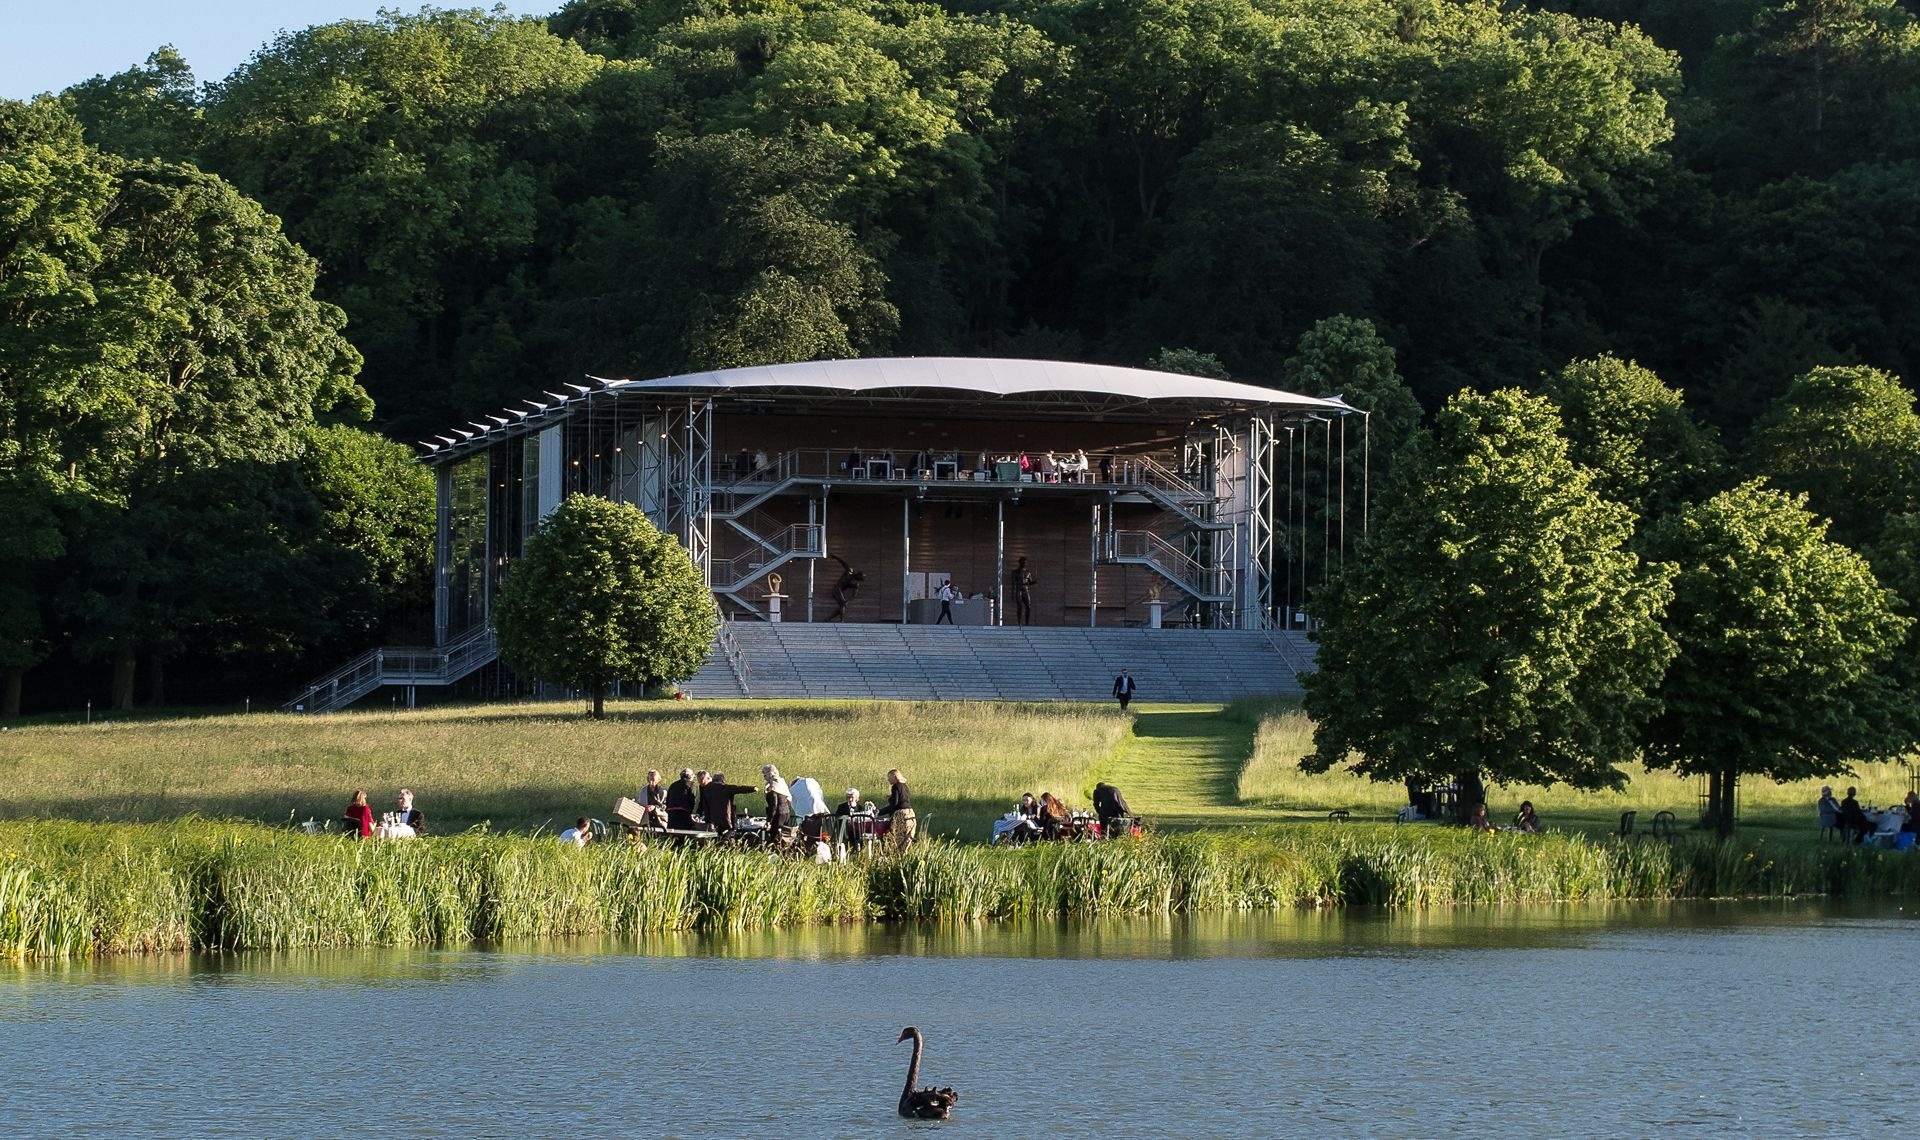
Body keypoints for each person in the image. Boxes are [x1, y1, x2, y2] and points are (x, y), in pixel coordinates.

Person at [700, 770, 758, 835]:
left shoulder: (706, 789)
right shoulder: (726, 788)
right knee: (731, 830)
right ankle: (726, 839)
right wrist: (753, 788)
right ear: (722, 779)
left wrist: (708, 821)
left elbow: (705, 806)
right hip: (725, 818)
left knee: (716, 835)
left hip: (712, 820)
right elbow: (739, 788)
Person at [882, 768, 917, 849]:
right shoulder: (905, 786)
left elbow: (895, 803)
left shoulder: (895, 786)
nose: (888, 780)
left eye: (889, 777)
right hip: (910, 814)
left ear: (894, 777)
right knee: (908, 839)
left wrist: (889, 799)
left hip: (901, 815)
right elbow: (903, 799)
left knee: (898, 840)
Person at [762, 764, 795, 844]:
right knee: (785, 836)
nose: (764, 777)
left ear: (769, 774)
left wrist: (769, 820)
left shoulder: (773, 787)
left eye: (764, 775)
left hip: (778, 814)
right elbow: (787, 799)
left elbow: (774, 806)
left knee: (773, 836)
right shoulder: (781, 783)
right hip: (786, 813)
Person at [828, 554, 866, 622]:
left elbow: (854, 595)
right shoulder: (849, 571)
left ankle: (828, 619)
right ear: (858, 574)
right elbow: (843, 562)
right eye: (860, 578)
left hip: (839, 591)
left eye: (860, 580)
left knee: (842, 606)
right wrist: (835, 557)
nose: (859, 580)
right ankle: (841, 621)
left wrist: (847, 601)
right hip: (836, 589)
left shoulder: (855, 584)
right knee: (842, 604)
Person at [1011, 556, 1035, 625]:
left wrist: (1035, 582)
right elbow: (1013, 584)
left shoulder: (1028, 572)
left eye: (1025, 562)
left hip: (1026, 591)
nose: (1024, 563)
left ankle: (1027, 624)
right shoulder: (1015, 572)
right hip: (1019, 590)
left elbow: (1030, 582)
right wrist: (1013, 594)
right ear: (1019, 562)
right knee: (1020, 607)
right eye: (1022, 562)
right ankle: (1019, 623)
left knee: (1028, 606)